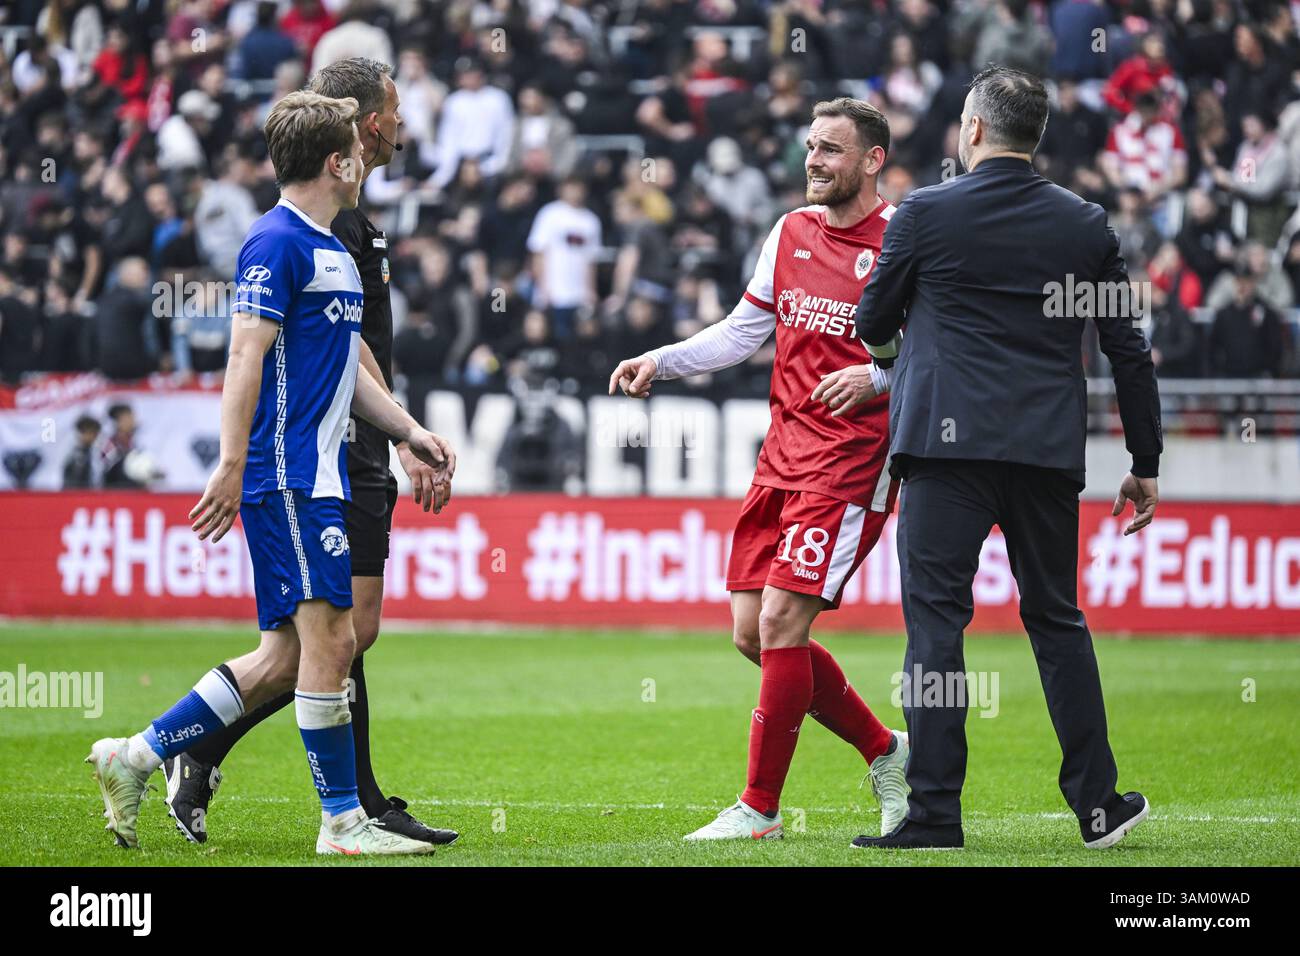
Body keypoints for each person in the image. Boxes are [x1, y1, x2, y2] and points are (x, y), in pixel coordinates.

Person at [85, 90, 455, 856]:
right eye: (358, 146)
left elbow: (350, 372)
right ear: (338, 160)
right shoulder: (276, 242)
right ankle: (344, 823)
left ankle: (136, 756)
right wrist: (230, 463)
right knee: (332, 642)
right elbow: (244, 354)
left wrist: (410, 432)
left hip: (318, 476)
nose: (369, 156)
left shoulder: (328, 247)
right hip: (287, 475)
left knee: (287, 657)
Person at [853, 67, 1162, 851]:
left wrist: (908, 328)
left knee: (935, 632)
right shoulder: (1085, 224)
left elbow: (872, 320)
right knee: (1058, 623)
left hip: (941, 453)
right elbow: (1129, 351)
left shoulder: (923, 212)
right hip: (1044, 453)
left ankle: (934, 817)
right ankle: (1098, 808)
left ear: (977, 129)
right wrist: (1145, 459)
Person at [608, 98, 910, 842]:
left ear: (871, 161)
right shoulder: (791, 231)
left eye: (832, 149)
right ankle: (887, 749)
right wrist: (663, 361)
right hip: (782, 454)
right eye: (810, 146)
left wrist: (875, 380)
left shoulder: (904, 236)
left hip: (850, 463)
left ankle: (759, 809)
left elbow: (939, 346)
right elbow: (746, 330)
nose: (813, 160)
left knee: (781, 620)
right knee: (753, 633)